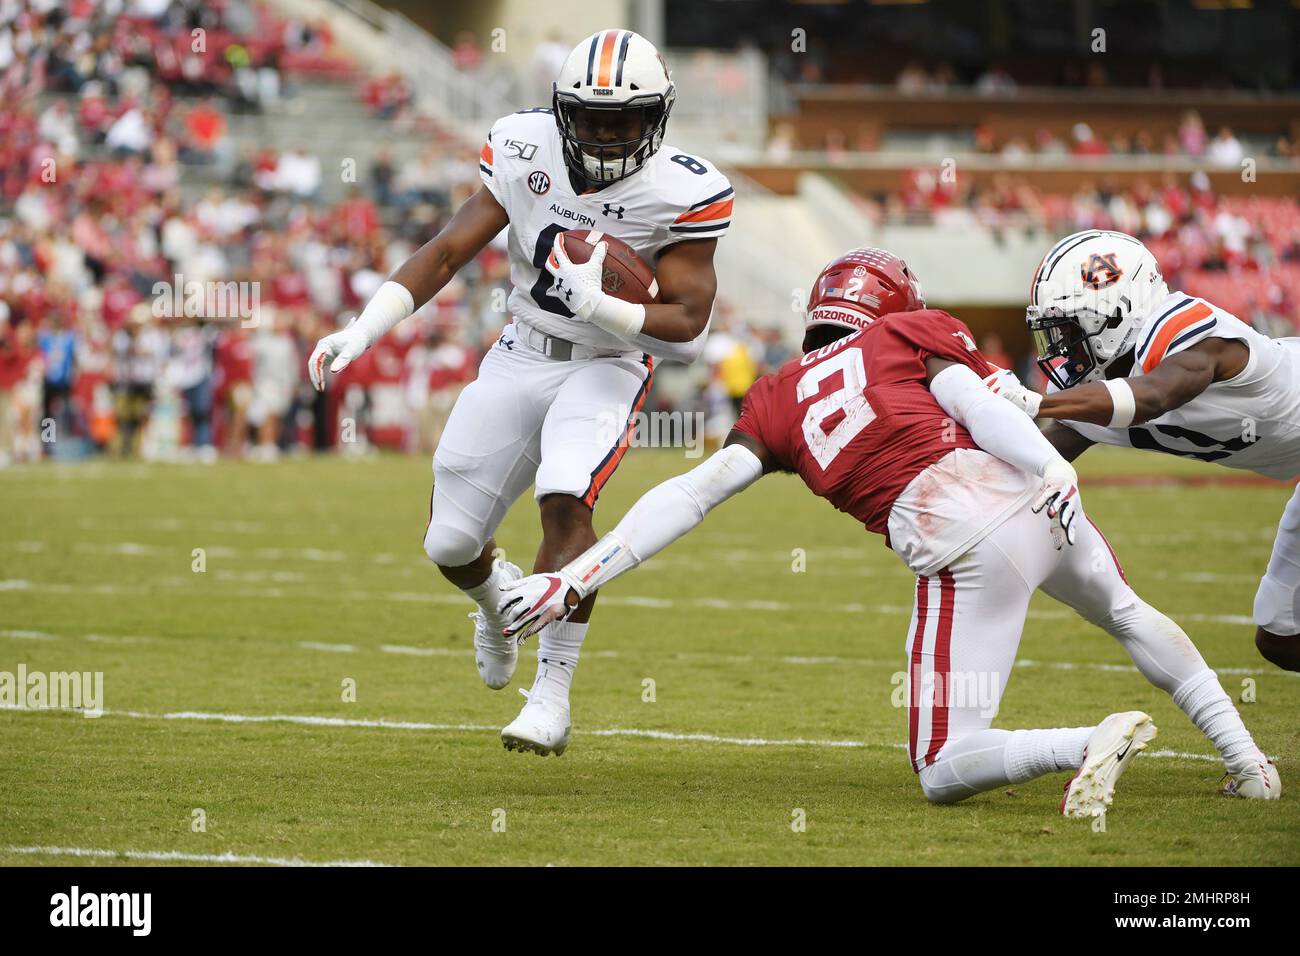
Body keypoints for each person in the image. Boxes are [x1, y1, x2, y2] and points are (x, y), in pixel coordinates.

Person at [497, 248, 1280, 812]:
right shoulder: (915, 333)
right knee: (1129, 613)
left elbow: (692, 494)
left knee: (942, 769)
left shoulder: (775, 397)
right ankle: (1249, 763)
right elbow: (978, 407)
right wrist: (1051, 467)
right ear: (892, 306)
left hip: (961, 540)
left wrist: (578, 576)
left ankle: (1087, 743)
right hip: (1032, 498)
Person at [306, 30, 732, 753]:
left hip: (607, 362)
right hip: (519, 351)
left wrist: (601, 307)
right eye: (591, 116)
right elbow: (446, 250)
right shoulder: (524, 146)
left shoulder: (684, 189)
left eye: (623, 119)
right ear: (561, 109)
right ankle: (496, 601)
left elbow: (687, 325)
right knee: (448, 543)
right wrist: (364, 326)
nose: (604, 132)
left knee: (566, 498)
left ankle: (551, 696)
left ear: (656, 117)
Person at [985, 229, 1300, 672]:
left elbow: (1152, 395)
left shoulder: (1183, 326)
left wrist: (1038, 402)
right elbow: (1027, 459)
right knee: (1280, 638)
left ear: (1113, 315)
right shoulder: (1096, 392)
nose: (1061, 347)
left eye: (1070, 329)